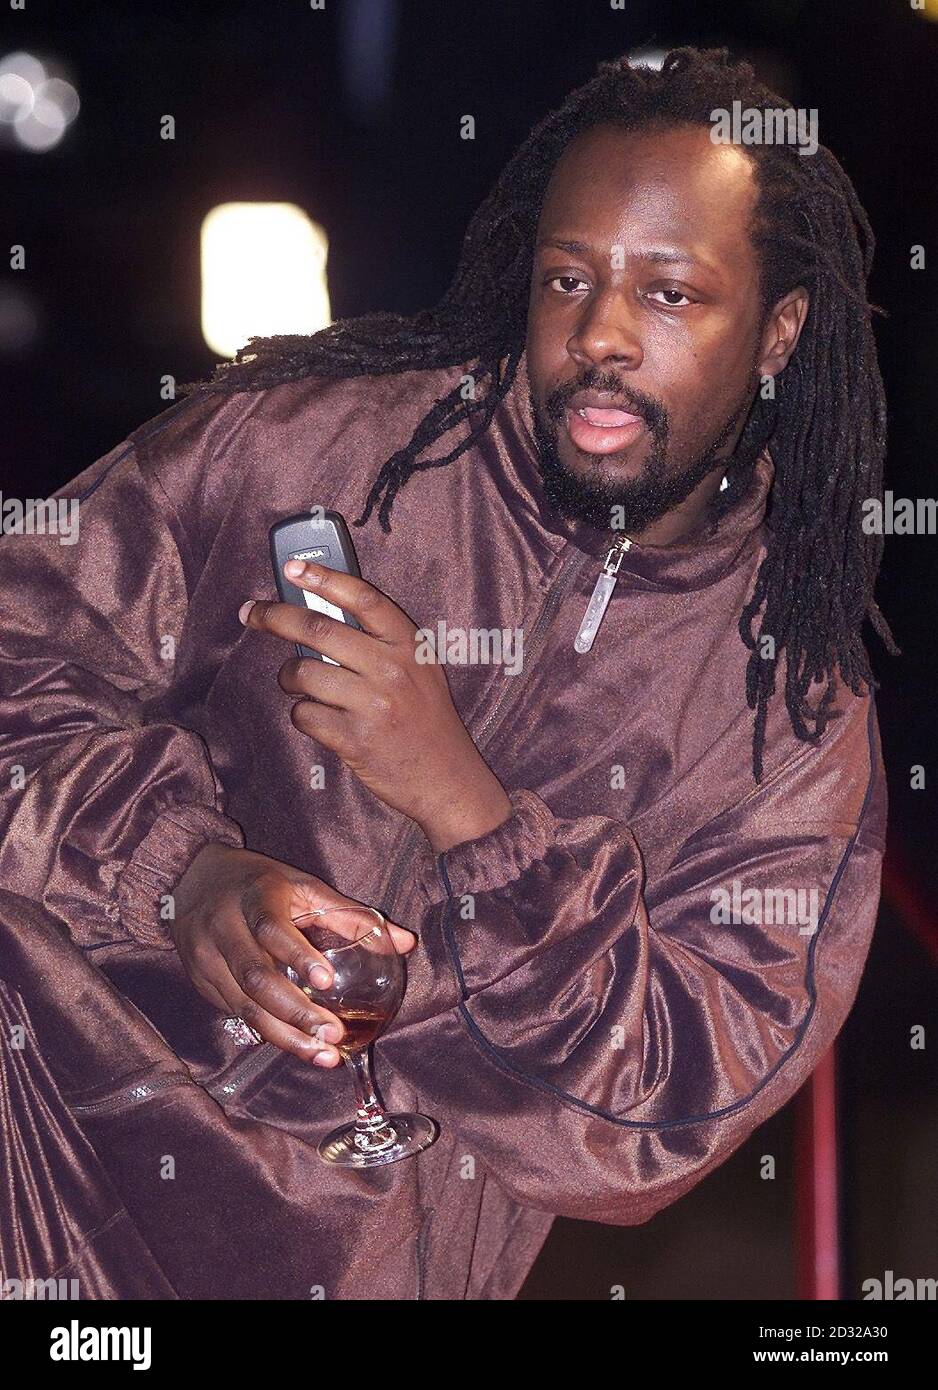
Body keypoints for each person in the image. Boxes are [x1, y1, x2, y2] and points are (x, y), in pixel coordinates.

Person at [0, 47, 892, 1300]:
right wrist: (179, 876)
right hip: (34, 1145)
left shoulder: (787, 722)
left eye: (669, 295)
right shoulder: (315, 450)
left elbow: (649, 1128)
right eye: (567, 279)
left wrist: (468, 814)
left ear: (776, 334)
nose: (597, 337)